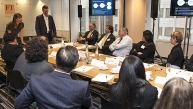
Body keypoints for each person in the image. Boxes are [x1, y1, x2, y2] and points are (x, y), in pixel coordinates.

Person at [14, 46, 92, 109]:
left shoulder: (36, 80)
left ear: (55, 61)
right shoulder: (82, 87)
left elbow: (18, 105)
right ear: (75, 65)